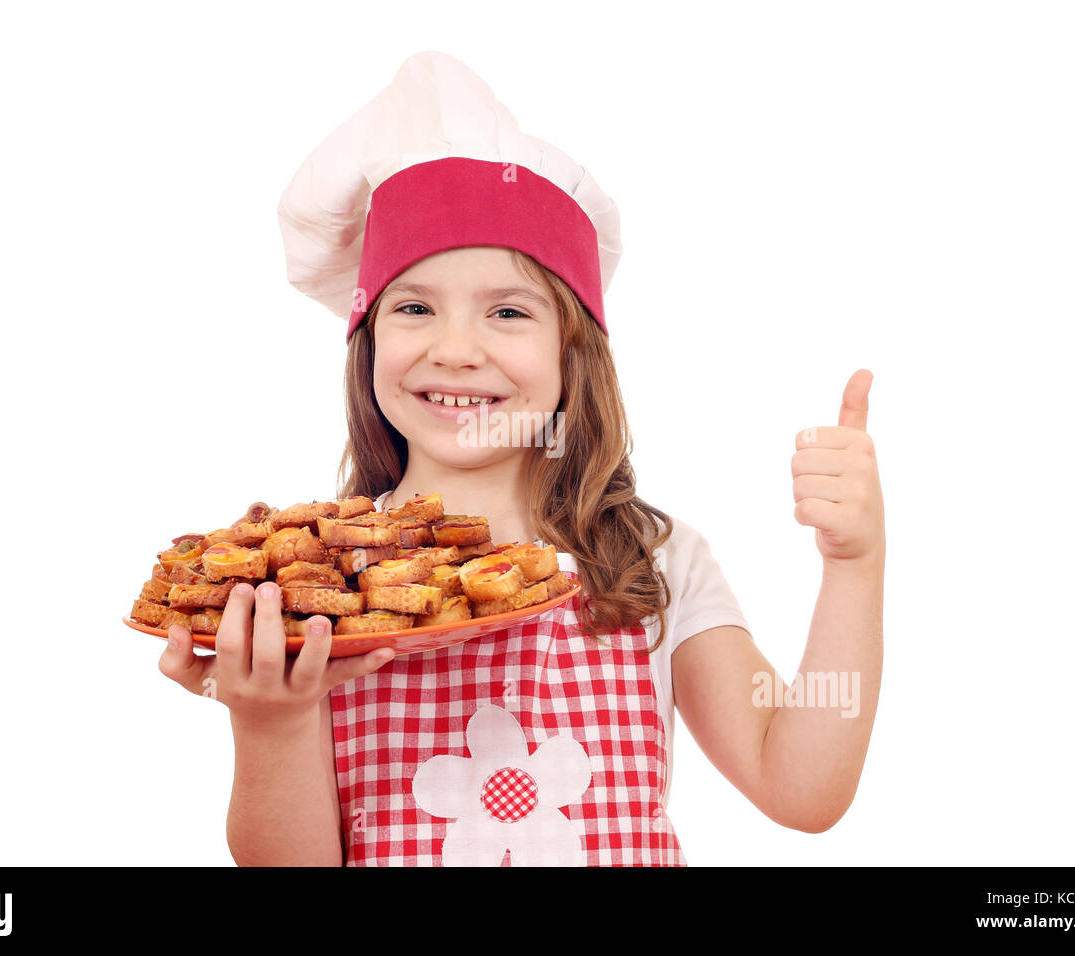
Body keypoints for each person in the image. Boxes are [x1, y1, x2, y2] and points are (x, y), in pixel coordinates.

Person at [157, 51, 885, 866]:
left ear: (577, 353)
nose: (457, 348)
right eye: (414, 306)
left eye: (507, 310)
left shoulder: (653, 561)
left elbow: (802, 789)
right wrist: (270, 723)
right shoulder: (328, 586)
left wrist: (853, 565)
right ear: (366, 342)